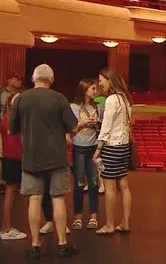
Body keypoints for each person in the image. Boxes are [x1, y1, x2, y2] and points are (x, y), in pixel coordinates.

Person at [8, 64, 77, 259]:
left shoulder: (21, 99)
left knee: (34, 199)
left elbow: (12, 129)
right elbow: (71, 127)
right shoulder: (59, 98)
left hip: (31, 157)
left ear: (33, 78)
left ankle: (35, 244)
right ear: (51, 80)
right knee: (58, 198)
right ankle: (62, 243)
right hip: (57, 157)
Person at [92, 68, 133, 235]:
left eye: (101, 80)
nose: (99, 83)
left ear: (109, 80)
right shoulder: (125, 98)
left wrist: (98, 148)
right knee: (124, 186)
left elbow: (106, 127)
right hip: (124, 146)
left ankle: (109, 225)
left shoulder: (111, 100)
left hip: (111, 147)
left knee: (109, 187)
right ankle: (125, 223)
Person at [69, 80, 101, 230]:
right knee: (79, 183)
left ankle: (94, 216)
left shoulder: (97, 107)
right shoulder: (73, 107)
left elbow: (101, 127)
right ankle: (78, 216)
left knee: (94, 183)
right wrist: (84, 123)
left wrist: (96, 123)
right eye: (92, 89)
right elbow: (71, 128)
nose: (95, 91)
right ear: (84, 90)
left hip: (93, 148)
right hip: (79, 148)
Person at [1, 92, 27, 240]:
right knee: (10, 194)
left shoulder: (10, 118)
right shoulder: (12, 119)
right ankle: (6, 228)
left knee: (12, 193)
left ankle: (7, 227)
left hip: (13, 159)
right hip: (13, 160)